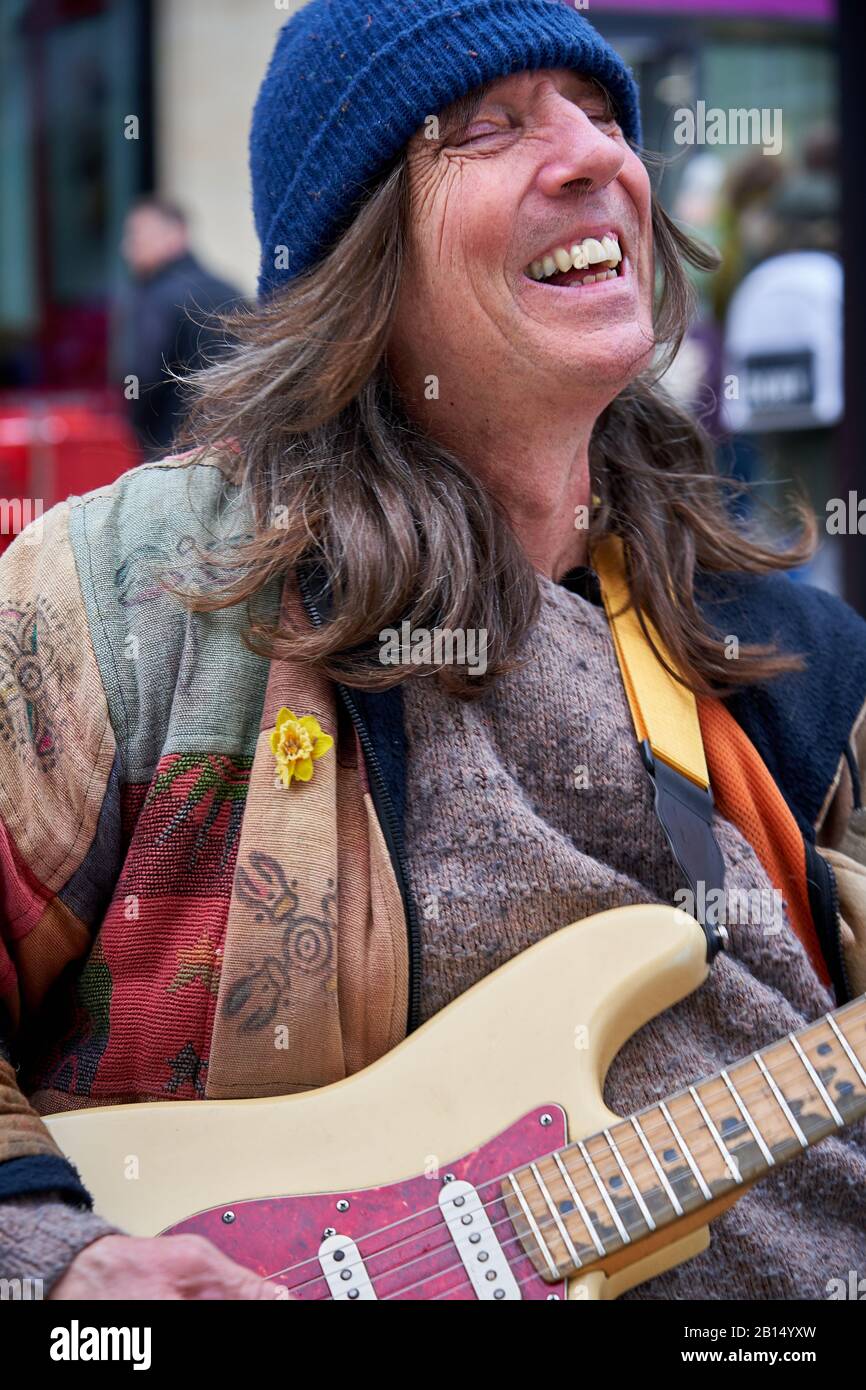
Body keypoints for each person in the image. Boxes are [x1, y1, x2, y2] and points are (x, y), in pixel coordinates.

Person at [1, 0, 865, 1302]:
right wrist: (56, 1265)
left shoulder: (789, 657)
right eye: (488, 126)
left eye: (597, 112)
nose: (596, 157)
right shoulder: (135, 598)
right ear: (358, 257)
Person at [113, 197, 244, 458]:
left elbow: (141, 378)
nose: (126, 249)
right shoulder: (229, 291)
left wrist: (134, 425)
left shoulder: (157, 298)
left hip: (172, 451)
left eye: (136, 237)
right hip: (233, 448)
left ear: (175, 235)